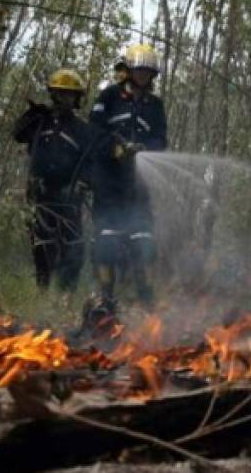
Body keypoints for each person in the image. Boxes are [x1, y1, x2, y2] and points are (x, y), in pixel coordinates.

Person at [88, 44, 169, 311]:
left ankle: (144, 295)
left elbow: (160, 139)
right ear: (129, 71)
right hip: (109, 184)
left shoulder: (155, 106)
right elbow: (94, 131)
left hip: (138, 186)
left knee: (143, 240)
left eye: (148, 72)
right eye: (139, 70)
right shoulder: (109, 96)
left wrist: (145, 149)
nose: (143, 76)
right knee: (106, 240)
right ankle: (104, 297)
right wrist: (113, 149)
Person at [12, 69, 103, 295]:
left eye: (70, 95)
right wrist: (32, 115)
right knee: (42, 247)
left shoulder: (83, 130)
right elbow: (17, 134)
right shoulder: (40, 121)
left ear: (77, 98)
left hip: (69, 197)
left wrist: (85, 182)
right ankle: (43, 293)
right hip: (41, 194)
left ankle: (65, 296)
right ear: (53, 94)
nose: (65, 99)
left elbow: (92, 163)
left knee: (74, 250)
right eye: (60, 94)